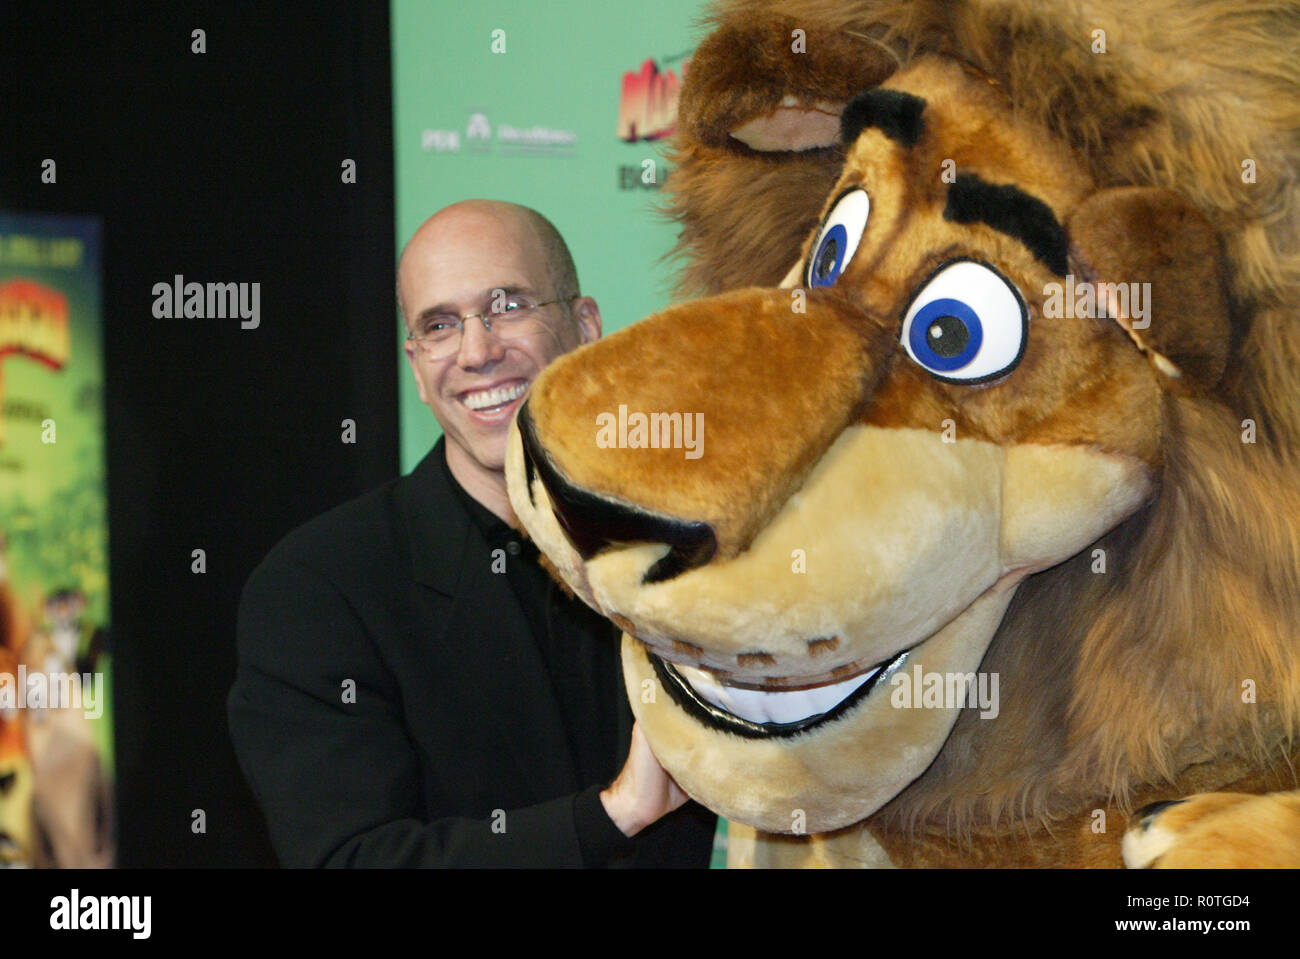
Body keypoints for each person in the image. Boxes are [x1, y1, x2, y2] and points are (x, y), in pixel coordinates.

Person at [227, 199, 717, 867]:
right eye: (439, 325)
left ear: (586, 327)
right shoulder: (318, 588)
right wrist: (614, 813)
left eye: (508, 305)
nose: (478, 350)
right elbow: (352, 859)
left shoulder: (681, 548)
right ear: (417, 368)